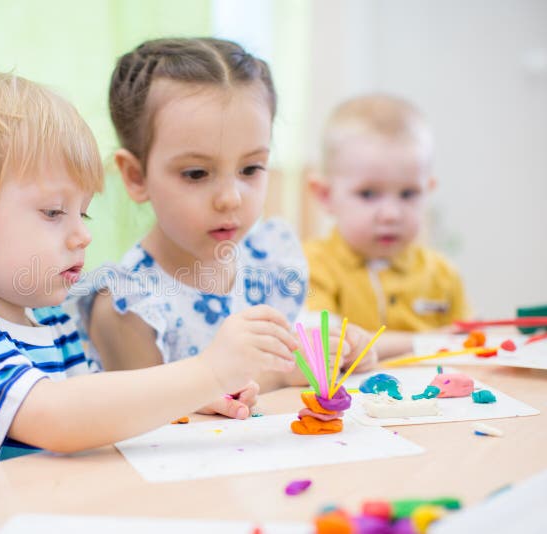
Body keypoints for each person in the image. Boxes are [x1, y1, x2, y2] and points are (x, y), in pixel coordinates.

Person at [0, 71, 299, 484]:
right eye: (54, 212)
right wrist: (207, 372)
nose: (83, 234)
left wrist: (189, 399)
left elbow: (102, 409)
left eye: (83, 211)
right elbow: (59, 419)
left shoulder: (48, 320)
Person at [66, 38, 376, 421]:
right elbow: (143, 427)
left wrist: (344, 350)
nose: (230, 198)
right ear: (135, 175)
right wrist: (287, 369)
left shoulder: (269, 258)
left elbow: (297, 346)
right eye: (196, 173)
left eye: (250, 169)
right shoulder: (127, 305)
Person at [305, 94, 470, 358]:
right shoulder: (309, 267)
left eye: (408, 194)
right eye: (368, 194)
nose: (391, 214)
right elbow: (329, 346)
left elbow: (465, 346)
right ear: (325, 195)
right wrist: (426, 341)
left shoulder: (443, 275)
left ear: (428, 192)